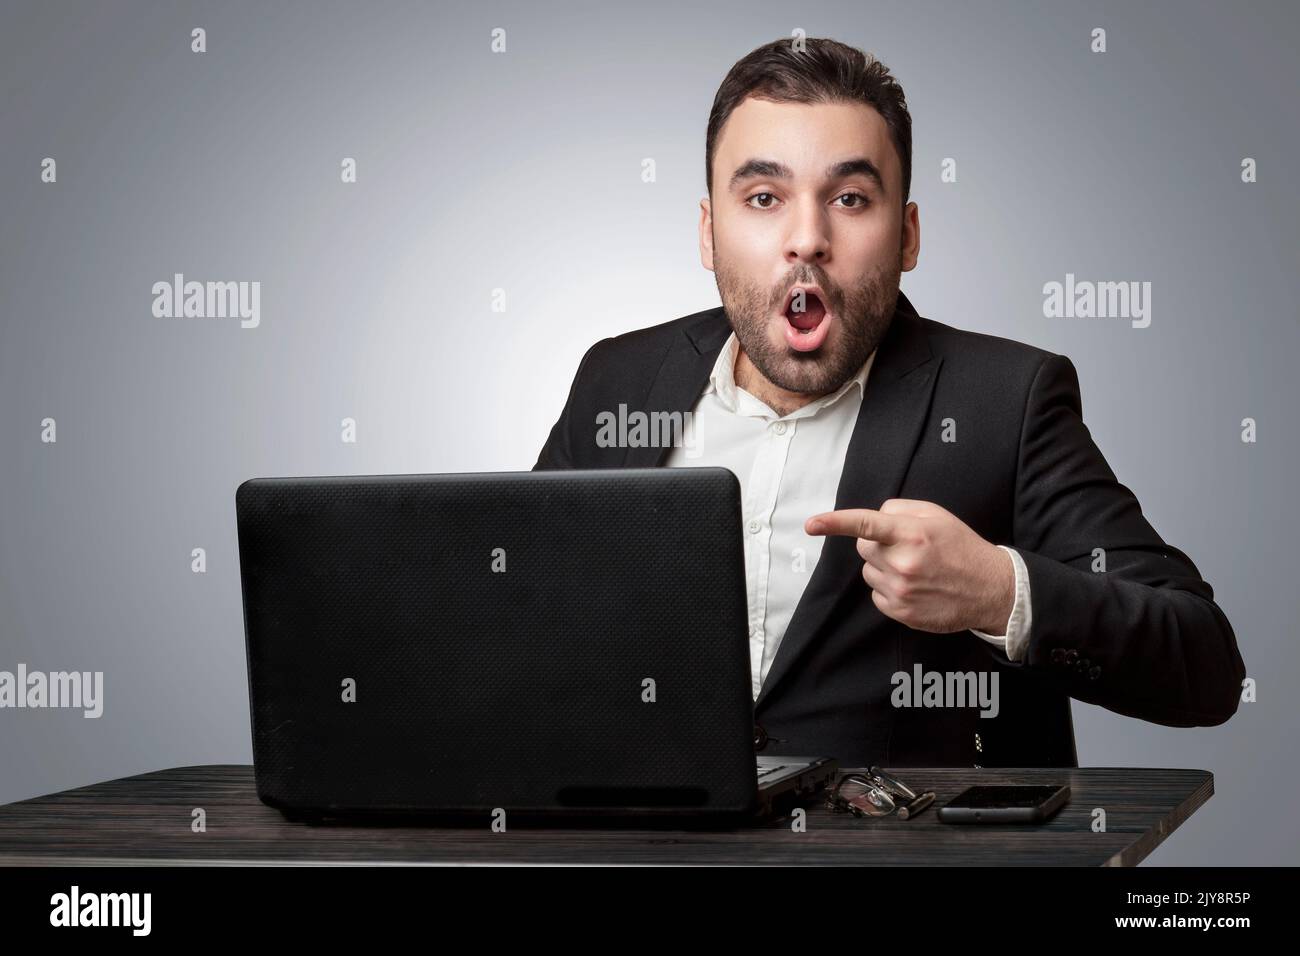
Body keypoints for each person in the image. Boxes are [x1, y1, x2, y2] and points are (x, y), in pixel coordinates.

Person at [533, 36, 1245, 767]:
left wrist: (1000, 592)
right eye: (763, 198)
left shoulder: (1008, 402)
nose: (807, 239)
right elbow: (516, 622)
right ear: (710, 233)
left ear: (906, 236)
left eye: (849, 198)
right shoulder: (617, 383)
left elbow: (1206, 664)